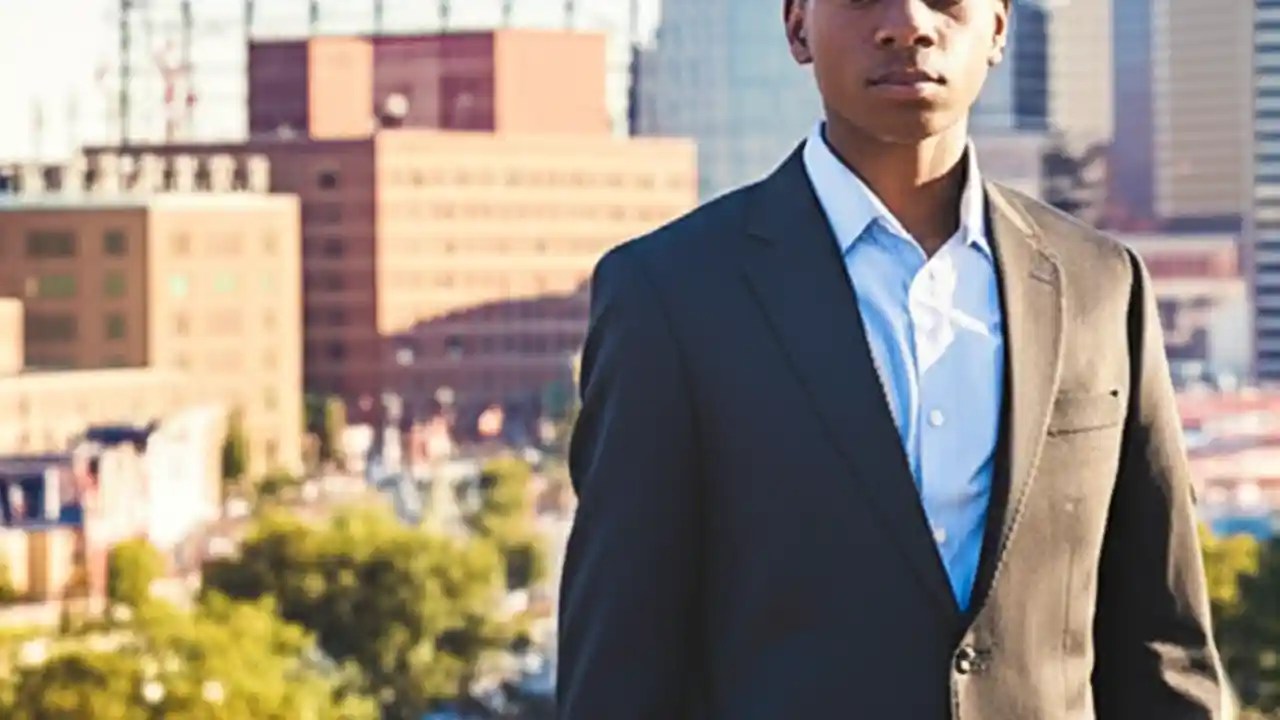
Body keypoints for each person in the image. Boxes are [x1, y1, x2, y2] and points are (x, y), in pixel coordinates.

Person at [556, 0, 1230, 717]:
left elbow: (1162, 649)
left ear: (999, 26)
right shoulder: (672, 294)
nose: (908, 23)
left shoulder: (1100, 284)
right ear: (797, 25)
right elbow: (620, 666)